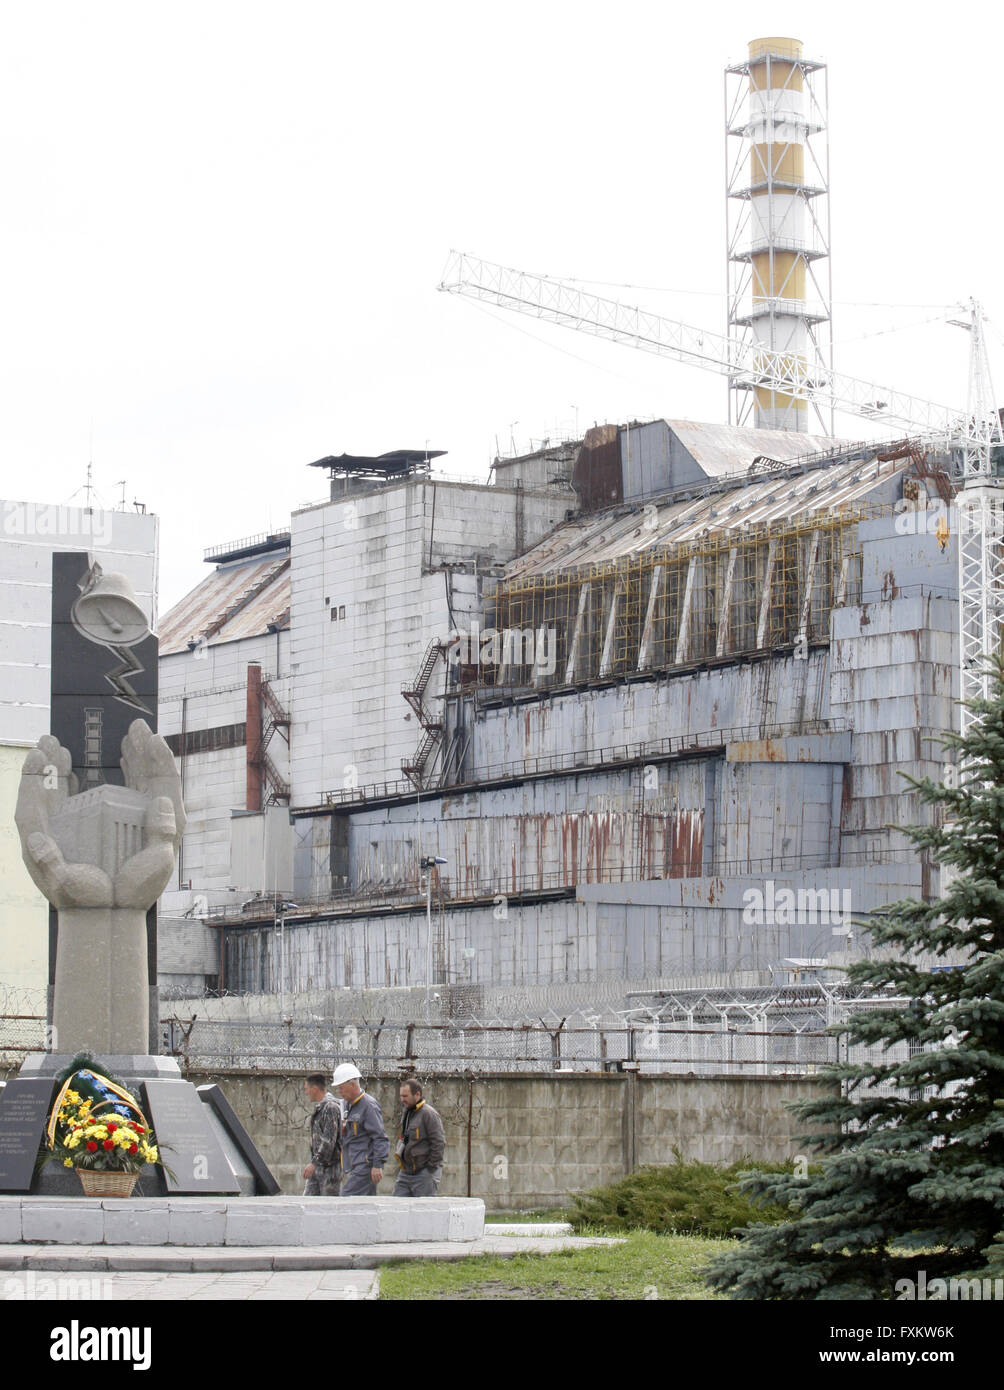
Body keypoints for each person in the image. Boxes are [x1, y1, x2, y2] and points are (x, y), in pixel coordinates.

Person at [331, 1062, 388, 1195]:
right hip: (355, 1166)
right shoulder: (349, 1105)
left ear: (352, 1084)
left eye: (341, 1088)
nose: (339, 1092)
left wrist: (377, 1165)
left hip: (365, 1167)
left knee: (345, 1202)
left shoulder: (368, 1106)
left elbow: (380, 1137)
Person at [393, 1077, 445, 1197]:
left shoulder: (429, 1114)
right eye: (401, 1096)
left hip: (424, 1174)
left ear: (417, 1094)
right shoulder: (407, 1112)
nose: (402, 1100)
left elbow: (439, 1143)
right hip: (406, 1173)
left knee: (424, 1212)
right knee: (397, 1208)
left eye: (405, 1096)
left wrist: (429, 1170)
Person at [302, 1072, 342, 1195]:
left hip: (329, 1170)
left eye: (307, 1089)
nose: (306, 1092)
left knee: (327, 1208)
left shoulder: (330, 1108)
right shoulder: (322, 1107)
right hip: (318, 1168)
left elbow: (328, 1141)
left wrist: (314, 1163)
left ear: (314, 1089)